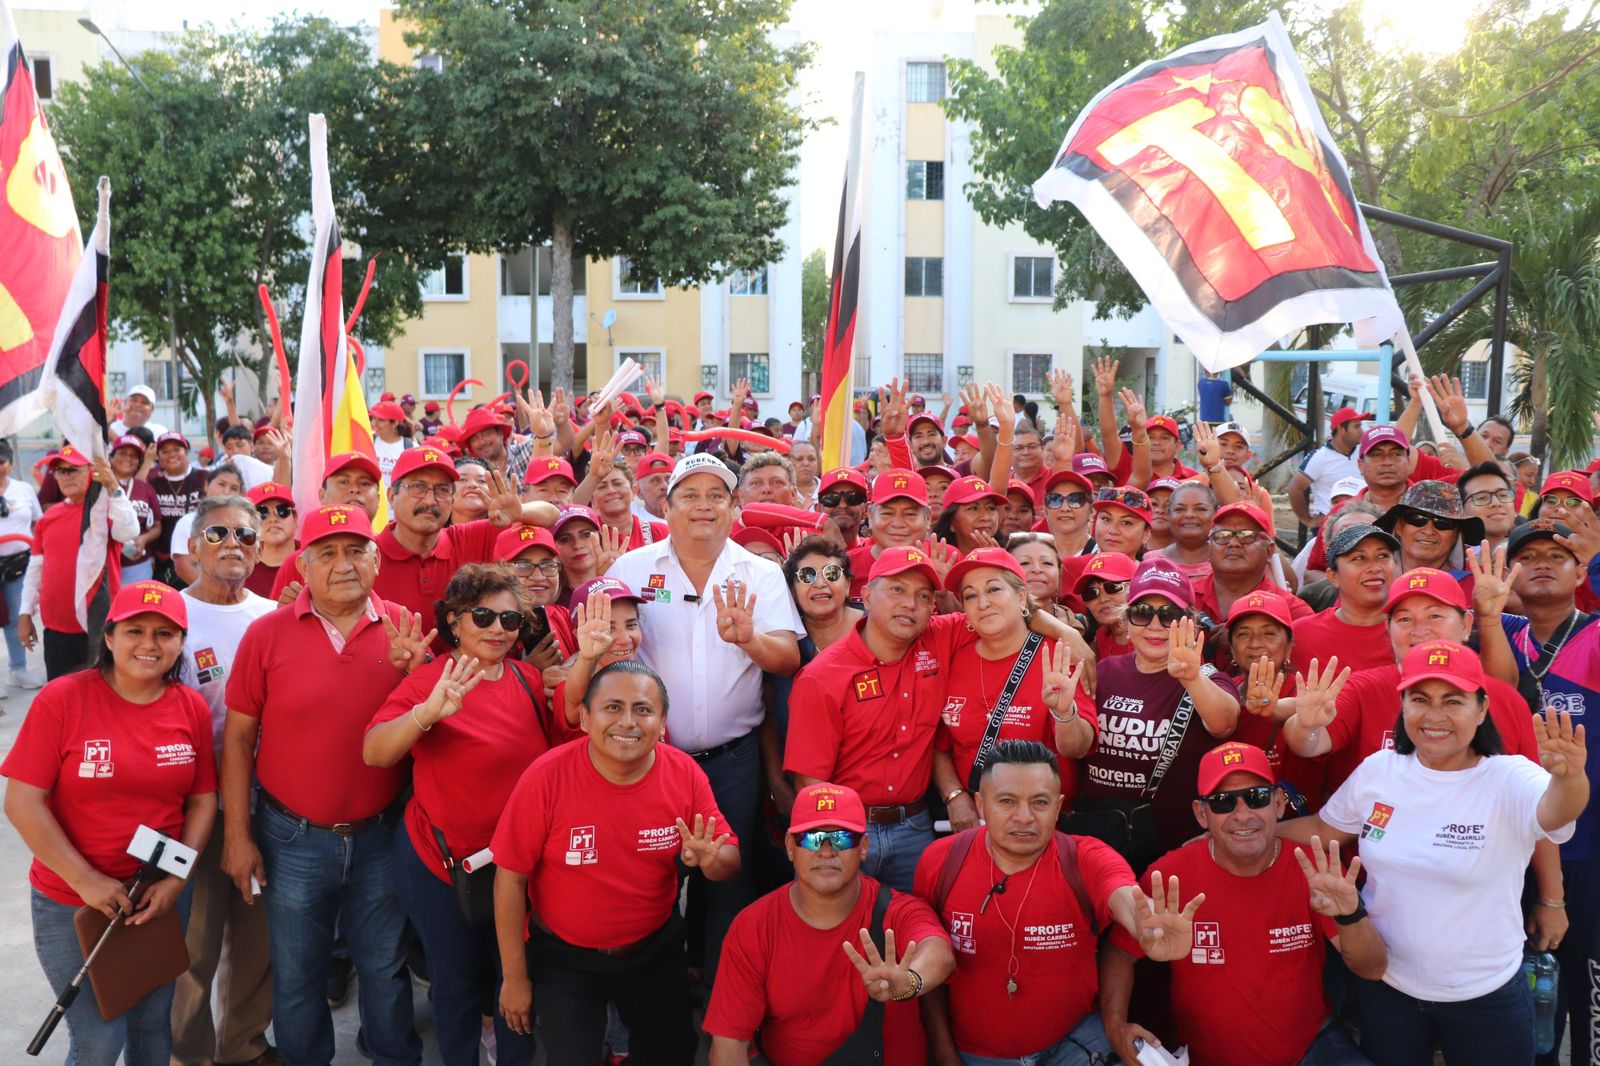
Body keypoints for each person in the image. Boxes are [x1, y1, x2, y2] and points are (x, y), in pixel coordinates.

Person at [1283, 640, 1586, 1066]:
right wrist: (1246, 837)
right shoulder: (1379, 770)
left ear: (1481, 710)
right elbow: (1322, 828)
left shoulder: (1508, 777)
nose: (1434, 715)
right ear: (1402, 705)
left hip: (1486, 996)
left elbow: (1556, 812)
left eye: (1453, 700)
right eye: (1419, 699)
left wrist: (1569, 778)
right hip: (1387, 989)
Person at [220, 504, 429, 1065]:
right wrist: (238, 837)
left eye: (356, 550)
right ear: (302, 566)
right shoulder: (265, 635)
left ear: (376, 560)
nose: (344, 564)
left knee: (384, 966)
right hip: (291, 837)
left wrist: (419, 673)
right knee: (296, 971)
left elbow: (433, 731)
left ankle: (394, 1057)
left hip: (381, 836)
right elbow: (238, 741)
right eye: (328, 553)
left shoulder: (406, 630)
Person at [606, 452, 803, 980]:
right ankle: (660, 999)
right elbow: (607, 650)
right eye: (689, 495)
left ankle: (723, 1002)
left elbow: (787, 657)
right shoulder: (630, 568)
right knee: (649, 879)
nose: (703, 506)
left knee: (727, 883)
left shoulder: (760, 573)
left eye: (716, 495)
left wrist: (749, 638)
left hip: (731, 763)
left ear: (735, 508)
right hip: (649, 760)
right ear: (664, 507)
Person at [3, 580, 214, 1065]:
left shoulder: (190, 706)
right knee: (99, 1038)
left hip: (154, 901)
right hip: (70, 903)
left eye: (165, 633)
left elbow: (203, 800)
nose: (149, 644)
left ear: (181, 642)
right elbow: (22, 804)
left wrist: (177, 880)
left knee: (152, 1026)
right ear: (110, 636)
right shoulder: (63, 699)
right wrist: (87, 881)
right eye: (135, 630)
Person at [490, 660, 739, 1064]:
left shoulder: (684, 773)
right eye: (612, 707)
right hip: (564, 958)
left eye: (643, 709)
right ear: (585, 718)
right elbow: (510, 880)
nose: (627, 721)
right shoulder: (546, 777)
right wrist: (514, 978)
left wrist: (712, 861)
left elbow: (728, 857)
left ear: (662, 724)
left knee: (672, 1055)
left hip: (655, 951)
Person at [365, 564, 563, 1066]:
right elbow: (375, 751)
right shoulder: (430, 682)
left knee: (513, 979)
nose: (499, 629)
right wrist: (425, 714)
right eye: (483, 616)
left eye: (510, 620)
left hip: (514, 869)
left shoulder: (525, 677)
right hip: (440, 862)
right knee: (455, 985)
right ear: (455, 621)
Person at [915, 741, 1205, 1066]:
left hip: (1074, 1041)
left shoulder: (1086, 858)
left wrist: (1146, 929)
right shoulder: (940, 862)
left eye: (1040, 802)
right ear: (981, 805)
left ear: (1059, 806)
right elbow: (929, 968)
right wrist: (942, 1051)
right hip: (977, 1053)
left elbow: (1123, 895)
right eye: (1007, 801)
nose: (1024, 817)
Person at [1099, 741, 1386, 1066]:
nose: (1243, 814)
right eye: (1222, 802)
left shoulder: (1312, 867)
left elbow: (1372, 968)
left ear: (1278, 803)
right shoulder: (1170, 876)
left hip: (1311, 1049)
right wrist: (1114, 1024)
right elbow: (1120, 950)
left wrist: (1351, 915)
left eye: (1257, 797)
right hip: (1208, 1057)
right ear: (1201, 814)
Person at [705, 783, 956, 1065]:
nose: (826, 851)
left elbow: (938, 951)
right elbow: (729, 1044)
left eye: (841, 839)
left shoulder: (896, 909)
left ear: (863, 847)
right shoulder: (753, 926)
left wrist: (910, 981)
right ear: (790, 846)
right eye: (812, 838)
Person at [169, 496, 278, 1066]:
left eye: (244, 534)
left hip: (272, 802)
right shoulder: (173, 616)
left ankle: (243, 1047)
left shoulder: (272, 616)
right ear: (192, 548)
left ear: (259, 549)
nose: (232, 542)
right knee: (196, 944)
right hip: (198, 806)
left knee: (257, 942)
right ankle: (188, 1054)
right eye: (216, 535)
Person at [1498, 516, 1600, 1064]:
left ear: (1579, 569)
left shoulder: (1595, 632)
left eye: (1556, 555)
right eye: (1527, 555)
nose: (1541, 563)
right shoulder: (1496, 633)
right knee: (1531, 999)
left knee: (1589, 992)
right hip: (1513, 849)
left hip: (1588, 851)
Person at [1071, 560, 1242, 871]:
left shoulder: (1207, 678)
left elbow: (1224, 724)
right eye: (1142, 613)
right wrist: (1063, 712)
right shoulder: (1104, 672)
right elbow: (1074, 748)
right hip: (1097, 837)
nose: (1154, 625)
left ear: (1190, 621)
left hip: (1169, 845)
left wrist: (1190, 678)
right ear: (1127, 618)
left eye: (1169, 616)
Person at [933, 547, 1097, 832]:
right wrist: (954, 796)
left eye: (994, 589)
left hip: (1044, 825)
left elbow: (1078, 748)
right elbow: (940, 745)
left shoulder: (1056, 655)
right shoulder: (955, 658)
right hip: (973, 825)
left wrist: (1063, 713)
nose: (982, 603)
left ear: (1021, 597)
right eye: (970, 595)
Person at [22, 445, 140, 678]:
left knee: (103, 696)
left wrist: (113, 486)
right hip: (57, 627)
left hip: (100, 626)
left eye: (73, 470)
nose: (66, 476)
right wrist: (25, 613)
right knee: (61, 697)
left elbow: (129, 531)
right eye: (60, 471)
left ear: (91, 471)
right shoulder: (48, 518)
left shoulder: (105, 510)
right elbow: (35, 569)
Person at [1291, 523, 1402, 676]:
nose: (1375, 568)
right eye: (1359, 558)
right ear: (1333, 577)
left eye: (1383, 556)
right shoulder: (1300, 636)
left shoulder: (1412, 632)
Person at [0, 439, 44, 689]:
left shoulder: (23, 489)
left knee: (19, 615)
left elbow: (39, 522)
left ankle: (18, 668)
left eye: (2, 462)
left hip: (18, 562)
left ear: (10, 463)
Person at [846, 469, 933, 595]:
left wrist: (944, 595)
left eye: (910, 514)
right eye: (887, 513)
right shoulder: (847, 566)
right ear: (870, 515)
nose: (898, 524)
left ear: (928, 518)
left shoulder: (948, 559)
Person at [1288, 407, 1373, 529]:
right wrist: (1307, 520)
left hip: (1363, 521)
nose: (1362, 431)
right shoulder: (1319, 458)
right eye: (1356, 427)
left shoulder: (1365, 452)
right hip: (1330, 526)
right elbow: (1294, 488)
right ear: (1341, 429)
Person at [1375, 480, 1483, 574]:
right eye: (1417, 518)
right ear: (1399, 526)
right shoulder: (1375, 580)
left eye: (1442, 522)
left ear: (1456, 534)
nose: (1428, 530)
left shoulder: (1476, 586)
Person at [170, 464, 246, 586]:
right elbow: (182, 566)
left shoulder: (244, 525)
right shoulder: (187, 522)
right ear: (206, 485)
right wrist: (213, 593)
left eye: (234, 488)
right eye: (221, 484)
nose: (226, 491)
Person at [147, 432, 209, 583]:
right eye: (165, 451)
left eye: (177, 449)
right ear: (158, 457)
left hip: (198, 557)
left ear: (186, 452)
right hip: (163, 558)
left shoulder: (205, 478)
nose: (171, 454)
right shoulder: (153, 482)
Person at [107, 433, 161, 584]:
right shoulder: (99, 486)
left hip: (137, 564)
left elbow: (157, 526)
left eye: (134, 456)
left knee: (134, 606)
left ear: (139, 462)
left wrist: (144, 538)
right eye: (122, 453)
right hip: (104, 561)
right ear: (111, 458)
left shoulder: (145, 489)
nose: (128, 458)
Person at [1075, 552, 1138, 660]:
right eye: (1091, 593)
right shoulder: (1101, 637)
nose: (1103, 599)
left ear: (1136, 586)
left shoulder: (1153, 634)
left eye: (1113, 587)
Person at [1158, 480, 1218, 583]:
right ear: (1169, 515)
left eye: (1200, 509)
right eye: (1179, 509)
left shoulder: (1226, 563)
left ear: (1216, 514)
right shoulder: (1151, 561)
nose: (1189, 515)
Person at [933, 476, 1009, 555]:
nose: (985, 517)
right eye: (973, 508)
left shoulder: (1014, 559)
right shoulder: (936, 562)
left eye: (990, 508)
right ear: (951, 522)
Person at [1458, 461, 1520, 558]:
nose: (1496, 503)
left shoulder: (1533, 555)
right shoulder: (1450, 563)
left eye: (1503, 495)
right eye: (1482, 498)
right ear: (1461, 510)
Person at [244, 481, 295, 599]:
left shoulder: (314, 556)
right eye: (262, 513)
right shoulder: (240, 568)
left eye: (282, 510)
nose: (273, 519)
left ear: (295, 518)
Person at [817, 467, 870, 546]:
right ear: (818, 509)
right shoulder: (805, 551)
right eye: (832, 498)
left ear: (865, 510)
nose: (842, 505)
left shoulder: (876, 553)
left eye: (852, 498)